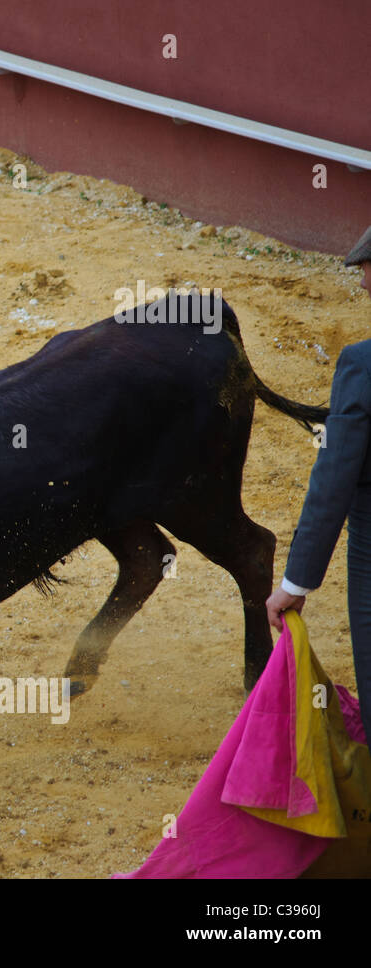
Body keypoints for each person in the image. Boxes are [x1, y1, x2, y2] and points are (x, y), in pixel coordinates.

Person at [266, 224, 371, 742]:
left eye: (368, 276)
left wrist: (296, 581)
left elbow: (335, 476)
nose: (363, 287)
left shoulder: (362, 366)